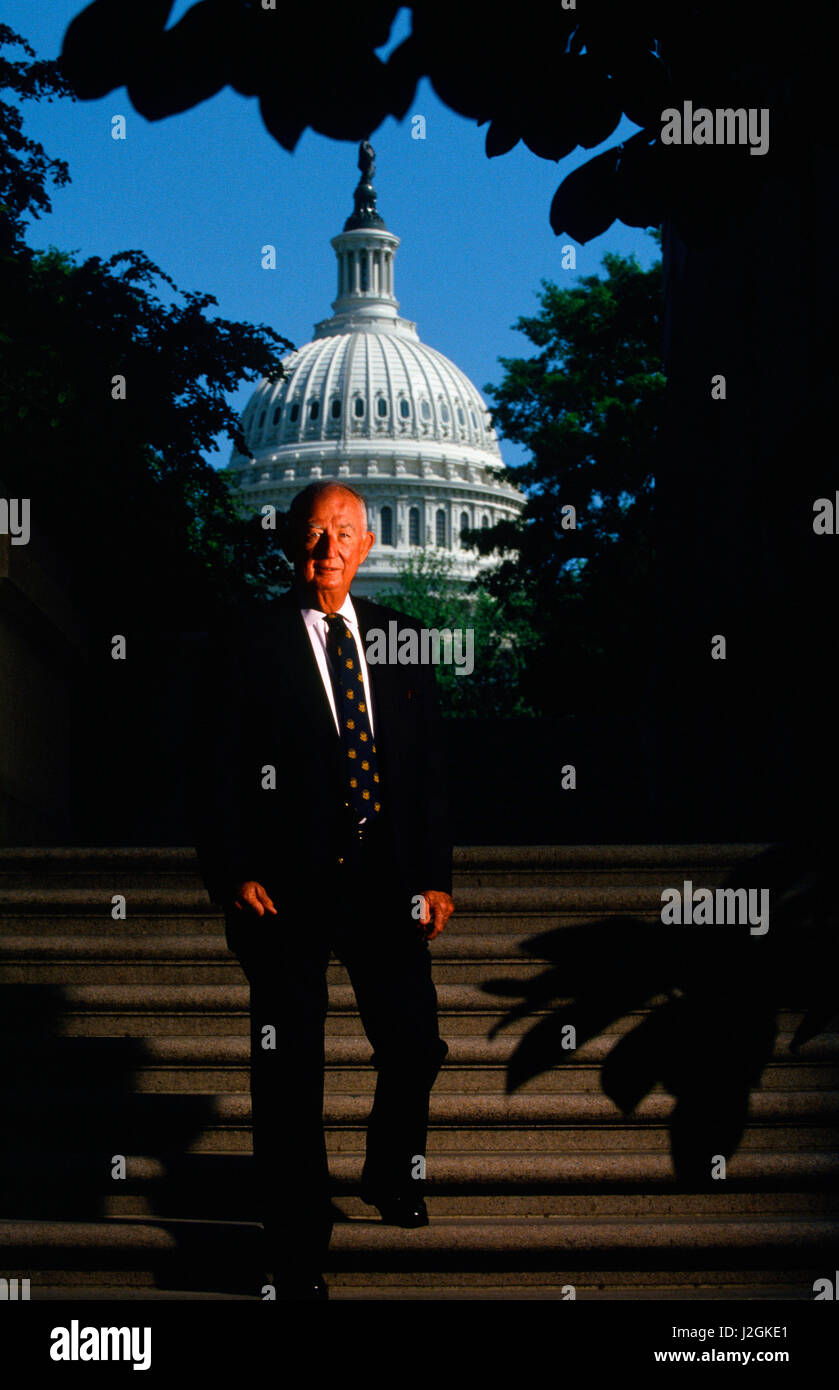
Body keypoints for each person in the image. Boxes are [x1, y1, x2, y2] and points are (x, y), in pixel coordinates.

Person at [195, 481, 454, 1301]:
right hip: (284, 887)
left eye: (342, 533)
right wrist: (232, 868)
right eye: (313, 533)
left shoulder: (402, 641)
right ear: (289, 545)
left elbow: (425, 775)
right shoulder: (245, 641)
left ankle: (387, 1173)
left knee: (415, 1042)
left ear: (367, 545)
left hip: (383, 882)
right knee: (289, 1067)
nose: (327, 548)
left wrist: (435, 875)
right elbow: (214, 768)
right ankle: (297, 1248)